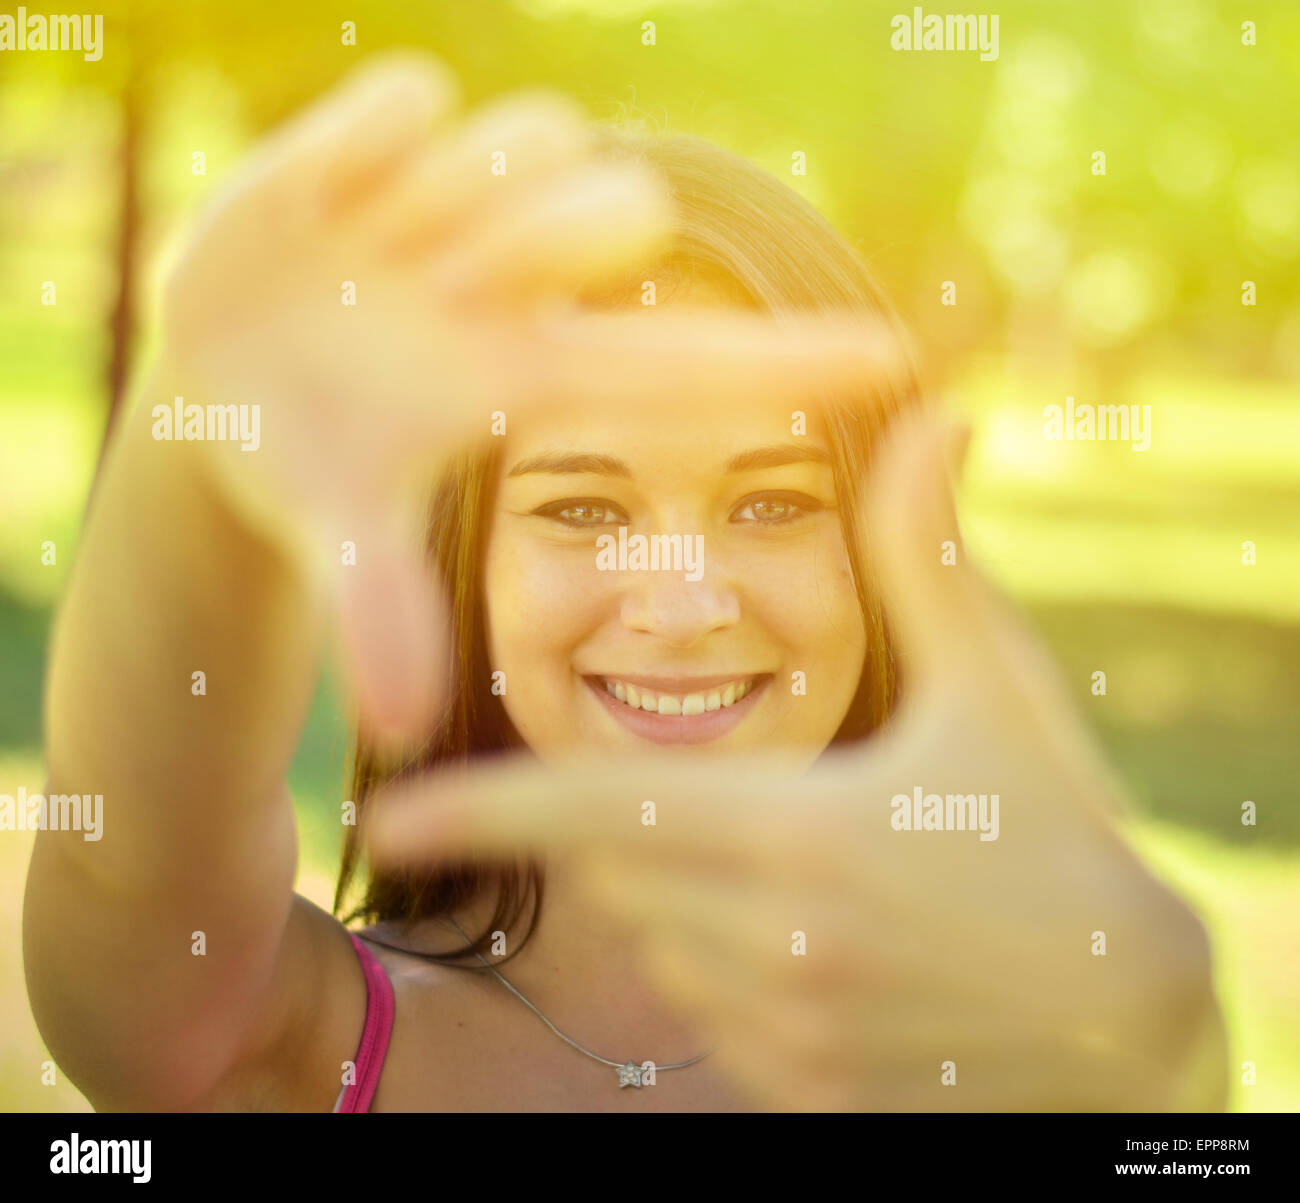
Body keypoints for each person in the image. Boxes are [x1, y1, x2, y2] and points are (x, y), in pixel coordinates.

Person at [25, 53, 1227, 1113]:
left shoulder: (1001, 1055)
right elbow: (123, 863)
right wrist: (199, 446)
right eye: (581, 508)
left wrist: (1170, 1094)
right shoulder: (293, 1042)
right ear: (466, 568)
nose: (681, 603)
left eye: (773, 504)